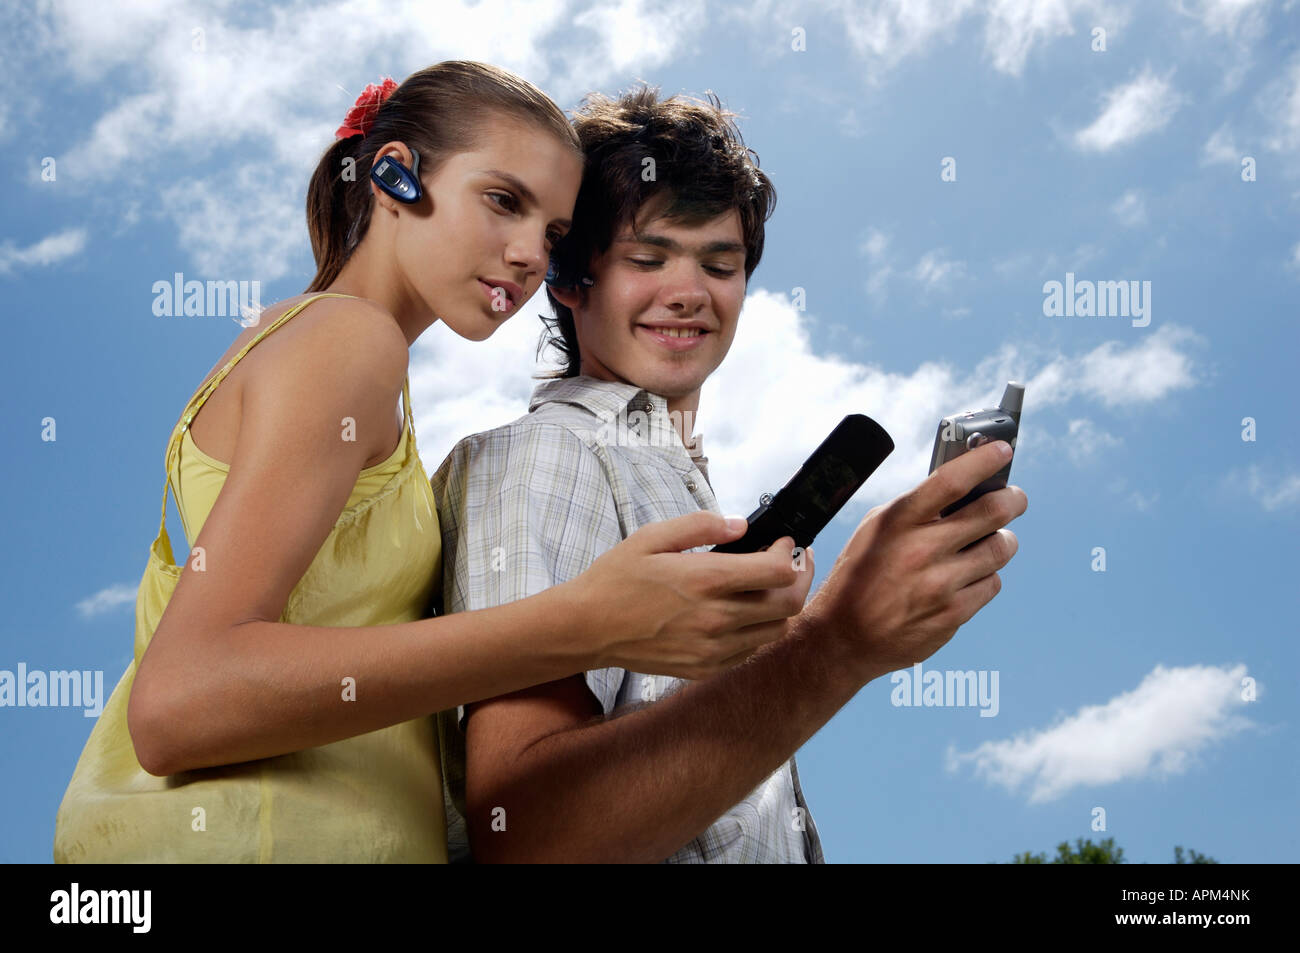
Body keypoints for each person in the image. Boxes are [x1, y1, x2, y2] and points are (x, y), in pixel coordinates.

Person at [52, 62, 810, 864]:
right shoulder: (351, 340)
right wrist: (586, 621)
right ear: (393, 176)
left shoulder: (354, 366)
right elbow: (181, 702)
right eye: (503, 201)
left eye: (551, 234)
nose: (528, 255)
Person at [431, 85, 1028, 863]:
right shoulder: (550, 456)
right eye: (648, 258)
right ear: (570, 280)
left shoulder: (680, 488)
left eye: (721, 263)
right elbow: (530, 836)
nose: (688, 293)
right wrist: (835, 643)